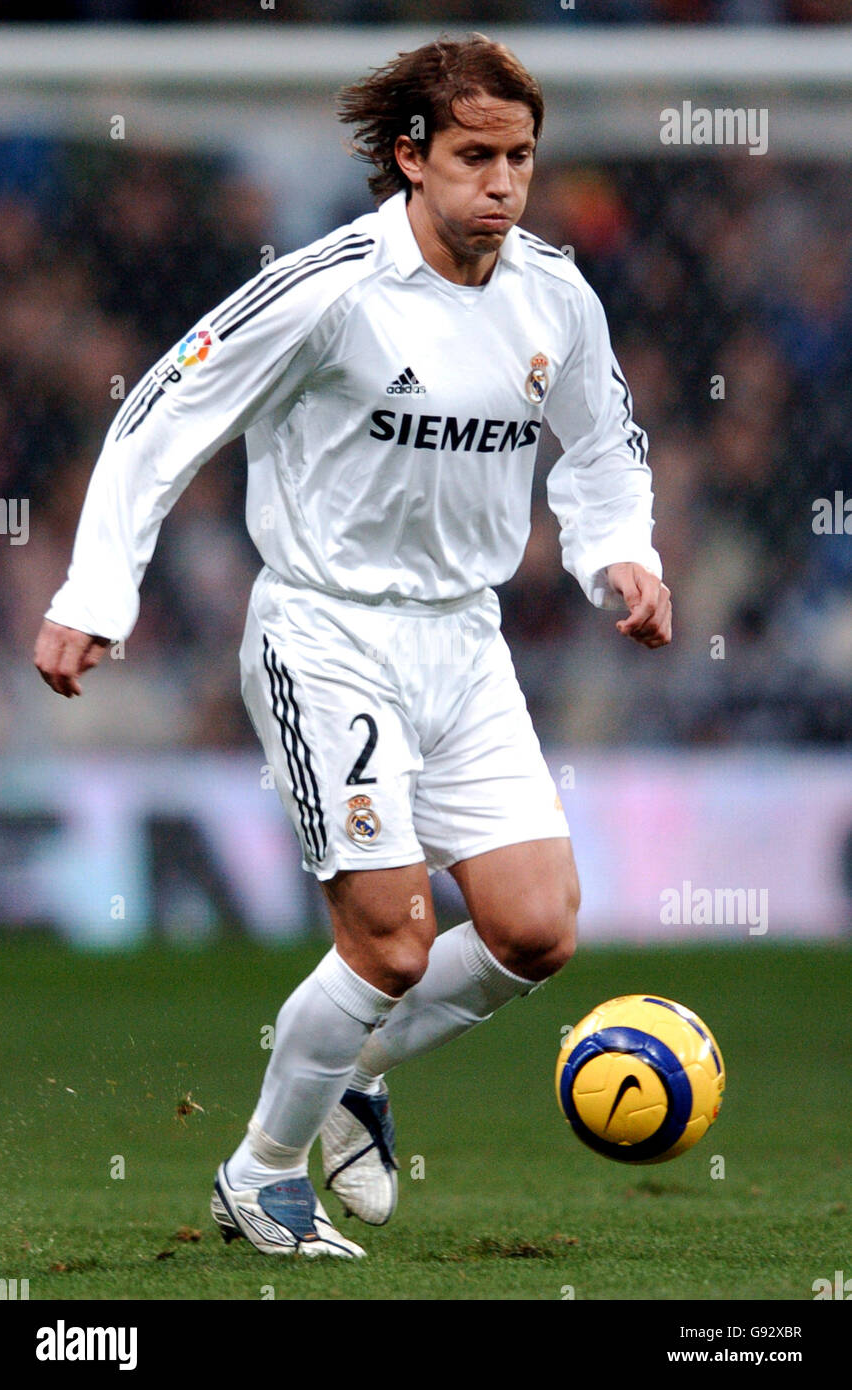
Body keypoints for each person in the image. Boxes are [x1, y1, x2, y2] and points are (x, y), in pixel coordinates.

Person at [34, 34, 671, 1259]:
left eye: (521, 158)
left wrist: (615, 557)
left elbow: (600, 451)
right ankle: (263, 1173)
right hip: (325, 627)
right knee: (389, 935)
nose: (501, 182)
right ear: (408, 158)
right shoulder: (329, 286)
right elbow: (163, 409)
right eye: (474, 156)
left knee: (536, 929)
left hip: (465, 642)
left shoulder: (555, 295)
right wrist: (97, 590)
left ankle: (349, 1070)